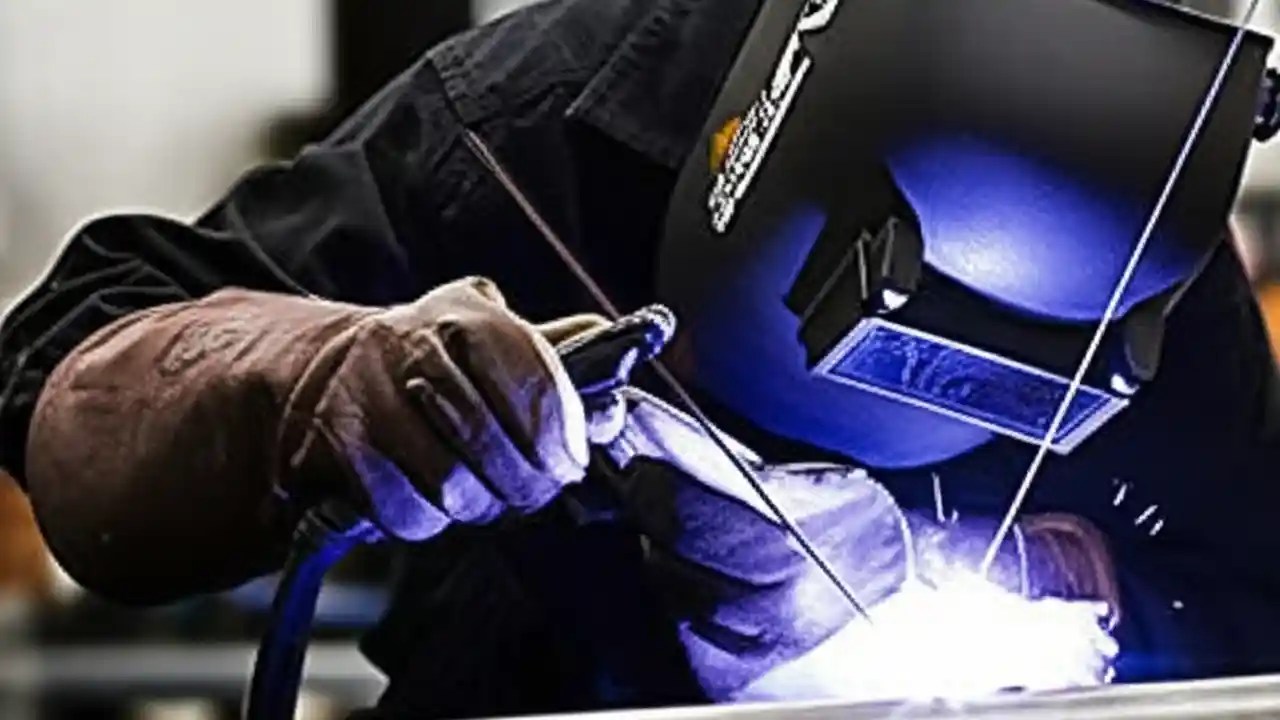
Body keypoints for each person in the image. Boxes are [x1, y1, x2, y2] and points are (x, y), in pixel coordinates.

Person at [2, 0, 1279, 716]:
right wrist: (310, 380)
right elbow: (70, 344)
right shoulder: (548, 118)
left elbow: (1245, 605)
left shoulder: (1154, 225)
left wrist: (1055, 583)